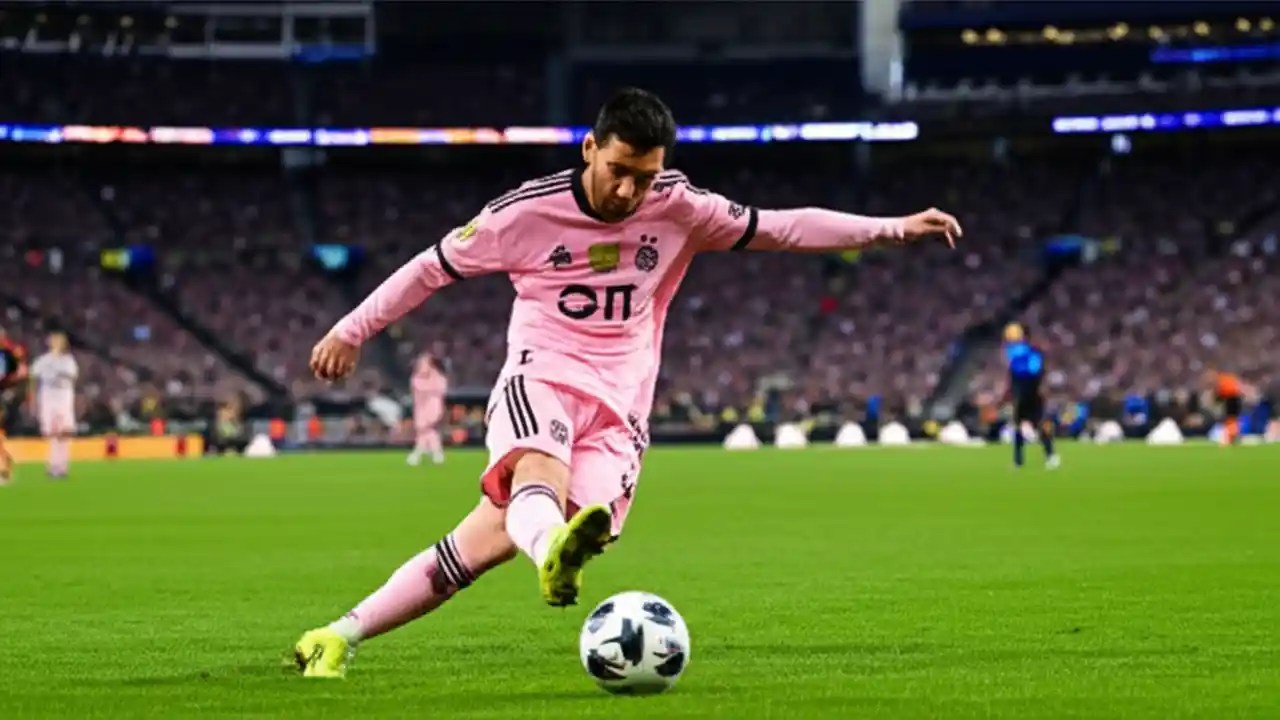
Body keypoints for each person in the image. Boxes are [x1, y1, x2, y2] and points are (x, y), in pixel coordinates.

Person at [296, 87, 962, 678]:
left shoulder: (679, 207)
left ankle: (338, 634)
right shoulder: (521, 215)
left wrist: (893, 229)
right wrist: (351, 330)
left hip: (622, 404)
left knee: (478, 547)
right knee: (539, 481)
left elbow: (782, 227)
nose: (628, 192)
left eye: (644, 177)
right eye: (618, 171)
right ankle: (553, 543)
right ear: (589, 148)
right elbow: (428, 268)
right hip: (544, 374)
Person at [1002, 322, 1059, 469]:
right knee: (1020, 427)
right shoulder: (1019, 352)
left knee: (1039, 425)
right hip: (1024, 394)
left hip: (1032, 393)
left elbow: (1034, 373)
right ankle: (1019, 460)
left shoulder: (1028, 353)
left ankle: (1050, 455)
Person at [29, 331, 78, 478]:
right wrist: (33, 401)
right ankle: (53, 466)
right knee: (53, 435)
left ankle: (62, 466)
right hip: (49, 400)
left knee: (64, 434)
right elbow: (33, 377)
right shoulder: (43, 361)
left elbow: (73, 378)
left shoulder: (69, 361)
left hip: (64, 400)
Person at [406, 352, 448, 467]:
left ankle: (417, 454)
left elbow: (441, 390)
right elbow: (418, 389)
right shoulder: (416, 378)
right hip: (420, 408)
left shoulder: (438, 378)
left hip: (433, 406)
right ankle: (436, 453)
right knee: (426, 431)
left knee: (426, 429)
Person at [0, 326, 29, 484]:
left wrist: (11, 394)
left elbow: (21, 376)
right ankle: (5, 466)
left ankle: (4, 469)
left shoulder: (9, 356)